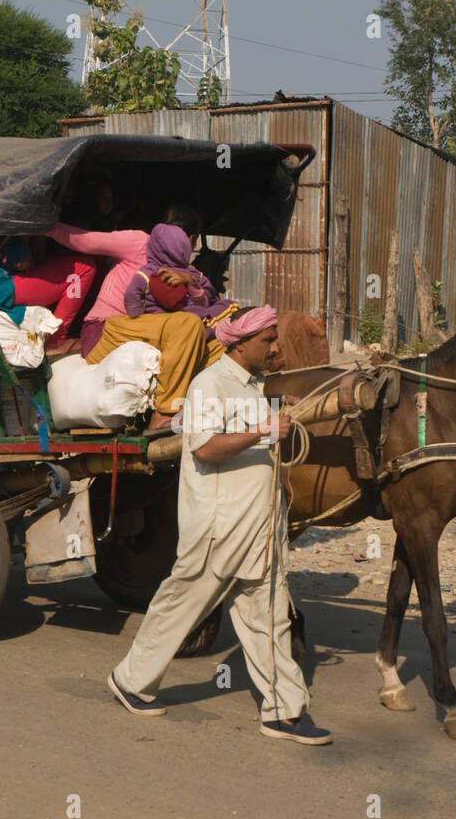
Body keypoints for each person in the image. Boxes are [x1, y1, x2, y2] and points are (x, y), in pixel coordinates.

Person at [107, 305, 332, 745]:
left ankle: (283, 712)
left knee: (268, 616)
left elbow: (250, 420)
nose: (274, 348)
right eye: (267, 340)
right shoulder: (209, 384)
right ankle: (131, 680)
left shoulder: (252, 386)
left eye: (274, 339)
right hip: (219, 526)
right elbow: (206, 447)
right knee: (180, 604)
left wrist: (276, 410)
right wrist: (265, 430)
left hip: (258, 528)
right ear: (241, 342)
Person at [49, 206, 211, 429]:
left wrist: (191, 284)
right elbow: (86, 242)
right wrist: (48, 227)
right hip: (104, 332)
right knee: (188, 324)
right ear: (191, 240)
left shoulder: (185, 270)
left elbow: (205, 305)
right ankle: (165, 413)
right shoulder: (140, 243)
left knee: (209, 335)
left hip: (139, 332)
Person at [124, 223, 241, 365]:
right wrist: (191, 282)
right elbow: (204, 303)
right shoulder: (190, 274)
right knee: (230, 306)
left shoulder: (144, 274)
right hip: (192, 325)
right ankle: (204, 332)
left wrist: (142, 321)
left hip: (160, 327)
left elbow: (131, 296)